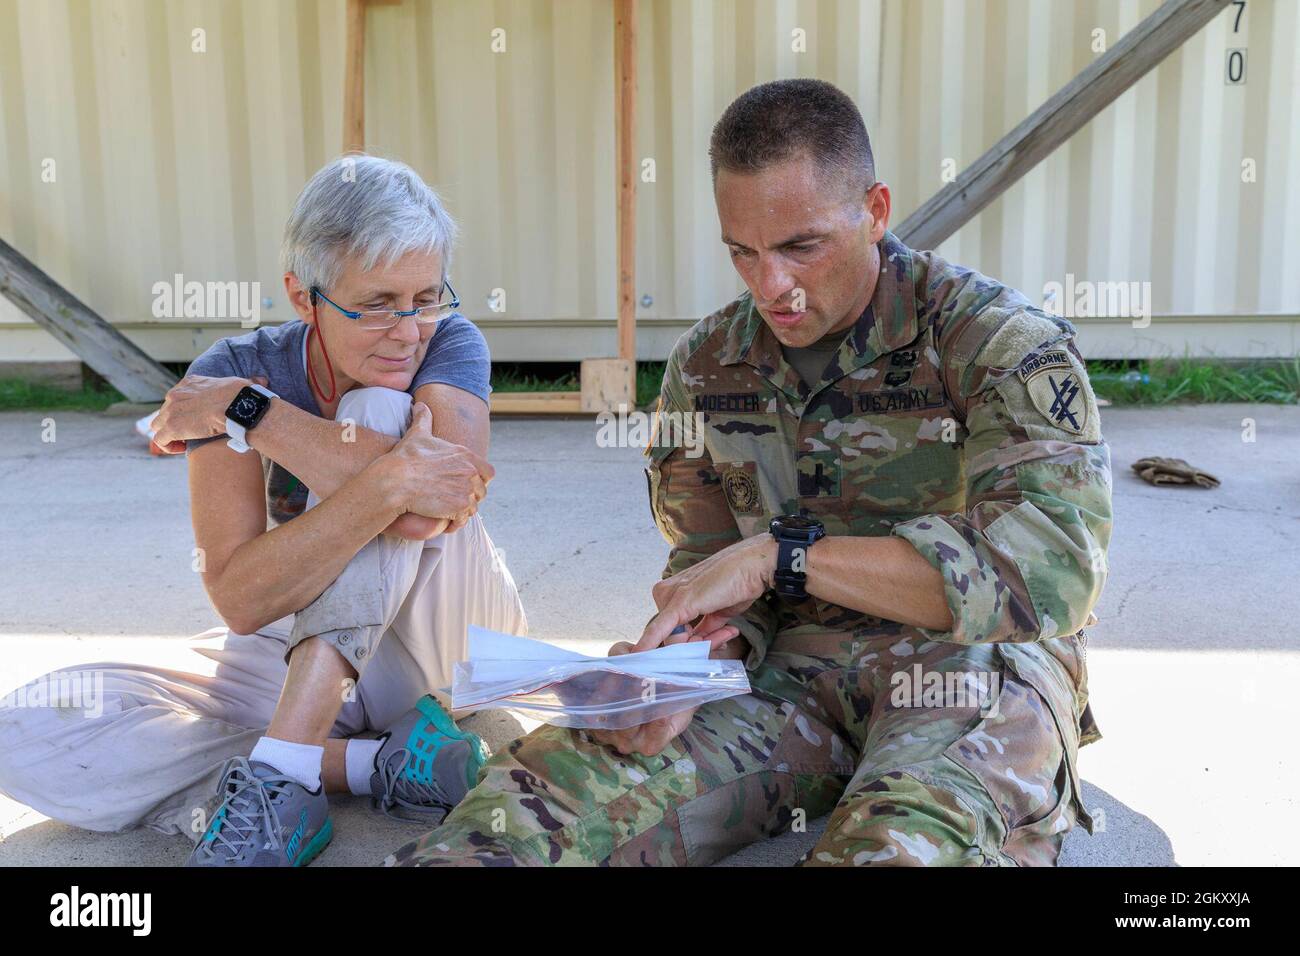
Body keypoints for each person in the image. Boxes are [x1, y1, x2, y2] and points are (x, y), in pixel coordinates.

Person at [387, 79, 1111, 867]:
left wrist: (784, 554)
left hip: (966, 660)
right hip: (780, 668)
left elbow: (1055, 574)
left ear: (875, 210)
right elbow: (707, 564)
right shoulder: (706, 366)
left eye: (801, 246)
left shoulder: (994, 342)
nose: (772, 287)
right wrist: (690, 669)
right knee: (528, 808)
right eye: (743, 251)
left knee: (905, 844)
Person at [0, 155, 527, 867]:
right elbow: (242, 599)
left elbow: (426, 509)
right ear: (303, 296)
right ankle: (378, 765)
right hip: (303, 631)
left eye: (426, 297)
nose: (408, 329)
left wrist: (250, 413)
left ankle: (282, 775)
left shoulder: (446, 343)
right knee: (25, 728)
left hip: (446, 636)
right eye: (375, 304)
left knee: (377, 411)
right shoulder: (235, 363)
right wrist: (359, 470)